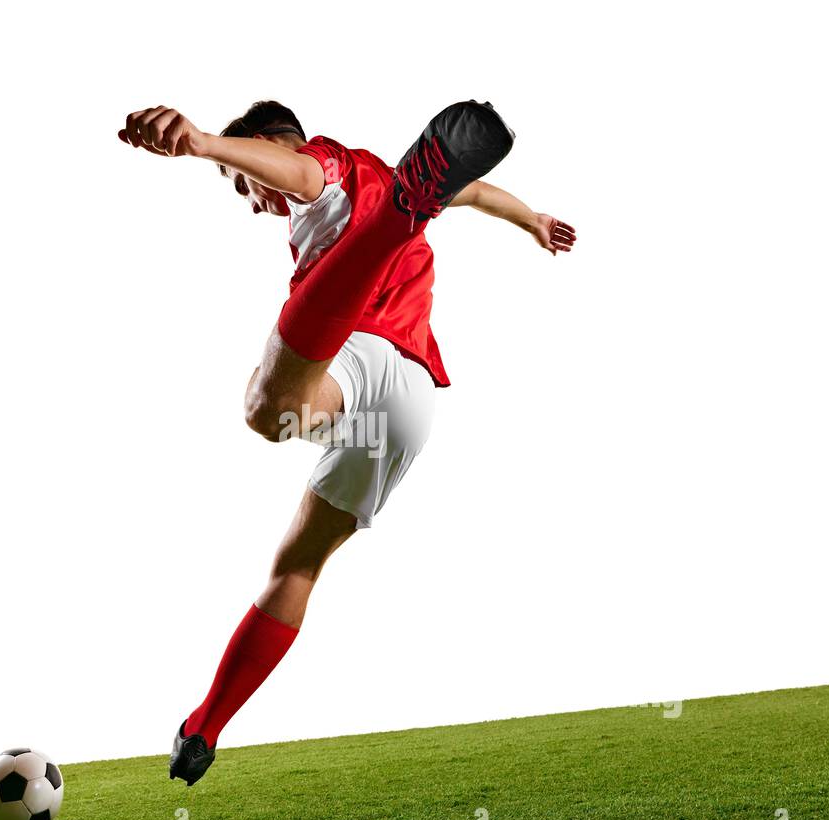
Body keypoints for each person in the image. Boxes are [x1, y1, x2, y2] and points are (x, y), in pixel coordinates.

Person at [117, 99, 577, 785]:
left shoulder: (324, 169)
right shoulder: (389, 173)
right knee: (296, 564)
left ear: (266, 143)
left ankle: (397, 223)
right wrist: (533, 219)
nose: (248, 201)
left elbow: (297, 171)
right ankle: (202, 728)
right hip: (407, 408)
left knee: (266, 411)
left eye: (242, 184)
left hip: (360, 352)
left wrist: (207, 145)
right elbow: (473, 188)